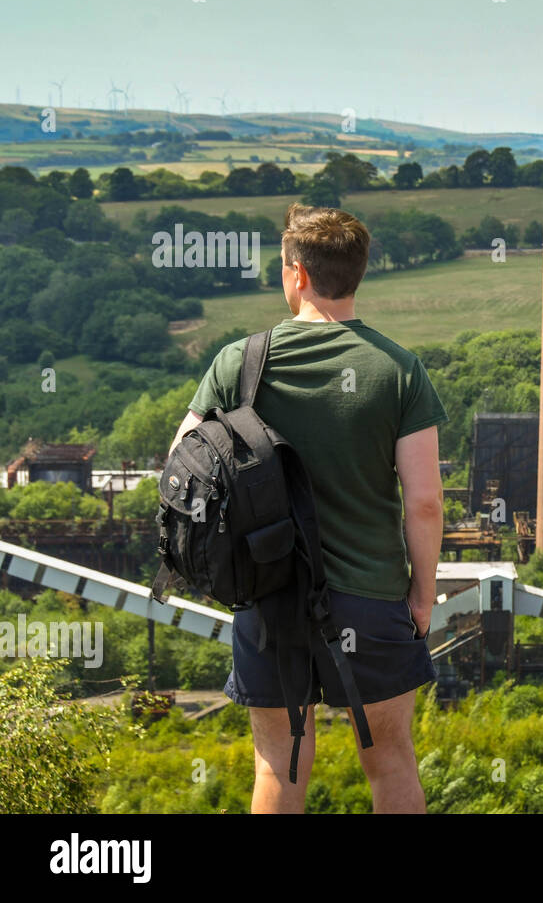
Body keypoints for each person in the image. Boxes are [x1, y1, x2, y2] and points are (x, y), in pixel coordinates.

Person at [169, 203, 446, 813]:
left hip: (269, 596)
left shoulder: (237, 364)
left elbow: (182, 472)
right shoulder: (398, 369)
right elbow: (423, 503)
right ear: (358, 273)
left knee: (280, 762)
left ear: (296, 273)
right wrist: (421, 596)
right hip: (372, 598)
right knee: (391, 760)